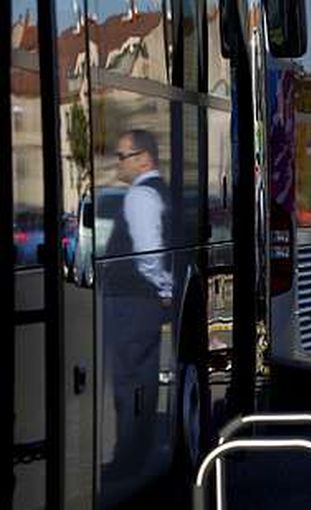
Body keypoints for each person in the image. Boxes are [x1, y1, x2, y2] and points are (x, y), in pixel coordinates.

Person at [102, 129, 173, 476]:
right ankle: (137, 455)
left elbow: (149, 252)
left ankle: (127, 459)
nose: (118, 163)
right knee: (141, 378)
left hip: (132, 298)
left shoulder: (140, 196)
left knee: (128, 382)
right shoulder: (158, 192)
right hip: (144, 299)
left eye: (122, 156)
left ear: (144, 158)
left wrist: (162, 287)